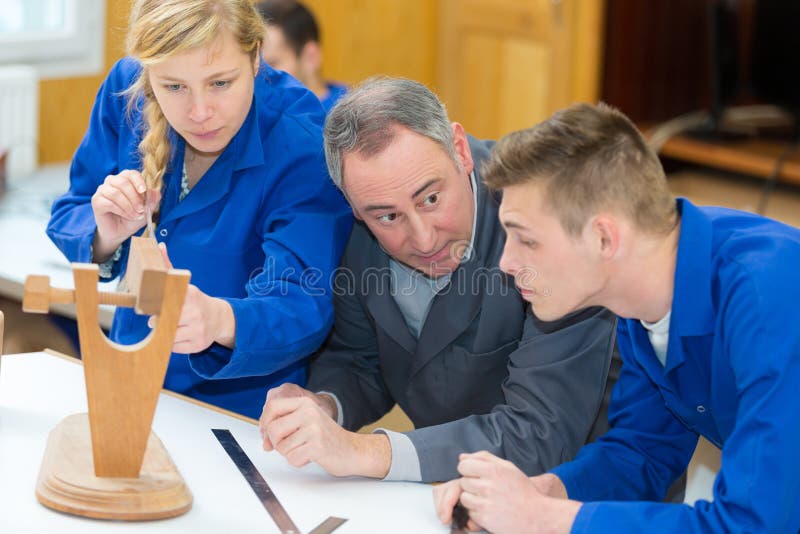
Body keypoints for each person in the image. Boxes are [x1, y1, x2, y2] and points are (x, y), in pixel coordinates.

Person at [433, 102, 800, 533]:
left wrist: (545, 519)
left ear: (604, 237)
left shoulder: (768, 295)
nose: (506, 263)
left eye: (526, 240)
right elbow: (642, 453)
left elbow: (754, 525)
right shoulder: (642, 298)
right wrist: (542, 492)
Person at [259, 77, 617, 483]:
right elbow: (359, 360)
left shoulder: (550, 225)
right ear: (353, 207)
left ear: (460, 150)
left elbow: (537, 433)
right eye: (387, 216)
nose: (424, 238)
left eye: (431, 199)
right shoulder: (358, 236)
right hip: (448, 488)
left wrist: (366, 451)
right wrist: (324, 405)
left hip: (589, 494)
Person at [46, 0, 352, 419]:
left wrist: (219, 320)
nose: (200, 112)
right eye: (173, 87)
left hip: (243, 412)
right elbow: (73, 208)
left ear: (256, 56)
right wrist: (106, 234)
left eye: (221, 83)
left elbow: (302, 300)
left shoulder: (300, 139)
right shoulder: (126, 88)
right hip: (130, 379)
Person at [256, 0, 347, 113]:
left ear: (311, 57)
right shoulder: (253, 116)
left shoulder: (354, 120)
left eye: (271, 64)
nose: (258, 76)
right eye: (253, 67)